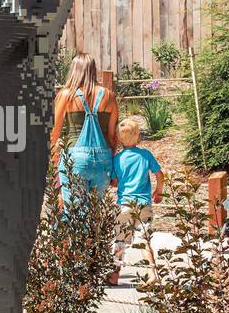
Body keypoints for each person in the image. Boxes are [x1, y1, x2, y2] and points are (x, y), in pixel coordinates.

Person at [51, 54, 122, 282]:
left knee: (74, 213)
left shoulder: (66, 95)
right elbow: (112, 136)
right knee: (95, 212)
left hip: (75, 158)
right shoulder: (109, 96)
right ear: (93, 69)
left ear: (75, 69)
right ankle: (93, 264)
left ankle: (77, 269)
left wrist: (53, 160)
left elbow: (54, 132)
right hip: (102, 160)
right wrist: (113, 168)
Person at [110, 117, 164, 280]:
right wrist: (158, 191)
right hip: (144, 204)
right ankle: (151, 271)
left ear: (119, 138)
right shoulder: (146, 155)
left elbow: (114, 182)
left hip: (125, 204)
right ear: (138, 136)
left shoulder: (117, 159)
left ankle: (115, 274)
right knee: (144, 238)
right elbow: (159, 175)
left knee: (120, 239)